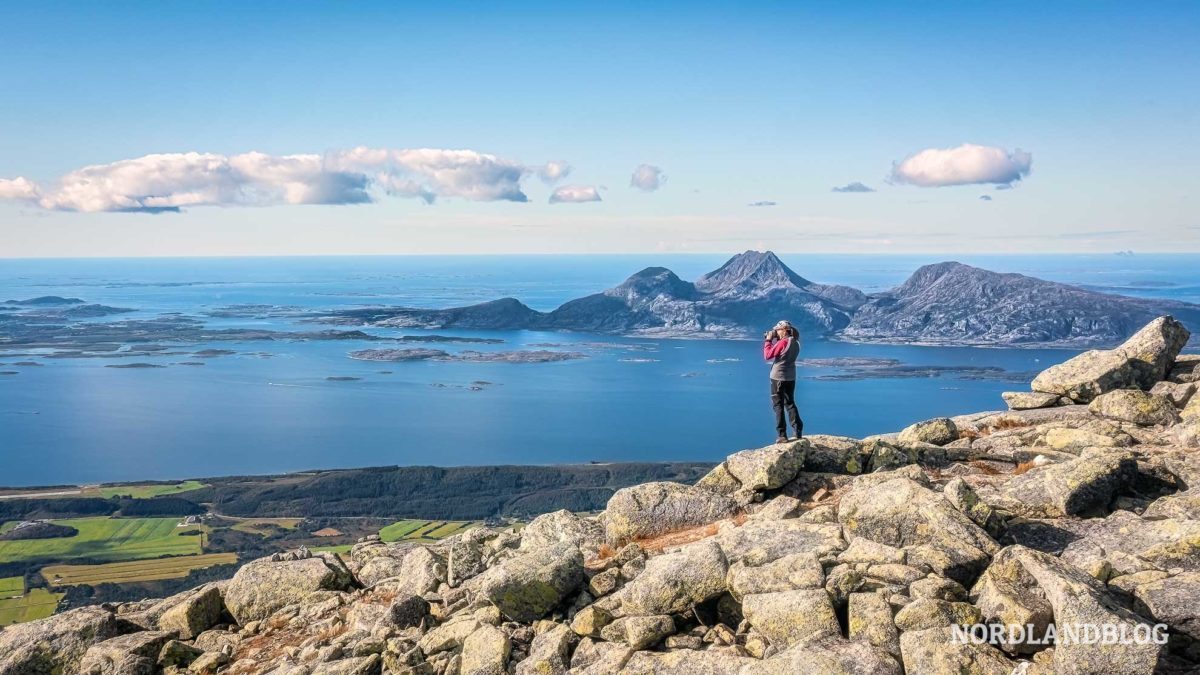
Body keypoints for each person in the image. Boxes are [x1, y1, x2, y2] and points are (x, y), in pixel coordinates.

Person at [762, 319, 803, 443]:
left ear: (784, 330)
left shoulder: (782, 343)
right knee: (790, 403)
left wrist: (768, 340)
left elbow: (767, 355)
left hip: (778, 378)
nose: (776, 332)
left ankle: (782, 435)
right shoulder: (796, 342)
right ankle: (797, 430)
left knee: (778, 406)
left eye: (777, 330)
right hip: (791, 377)